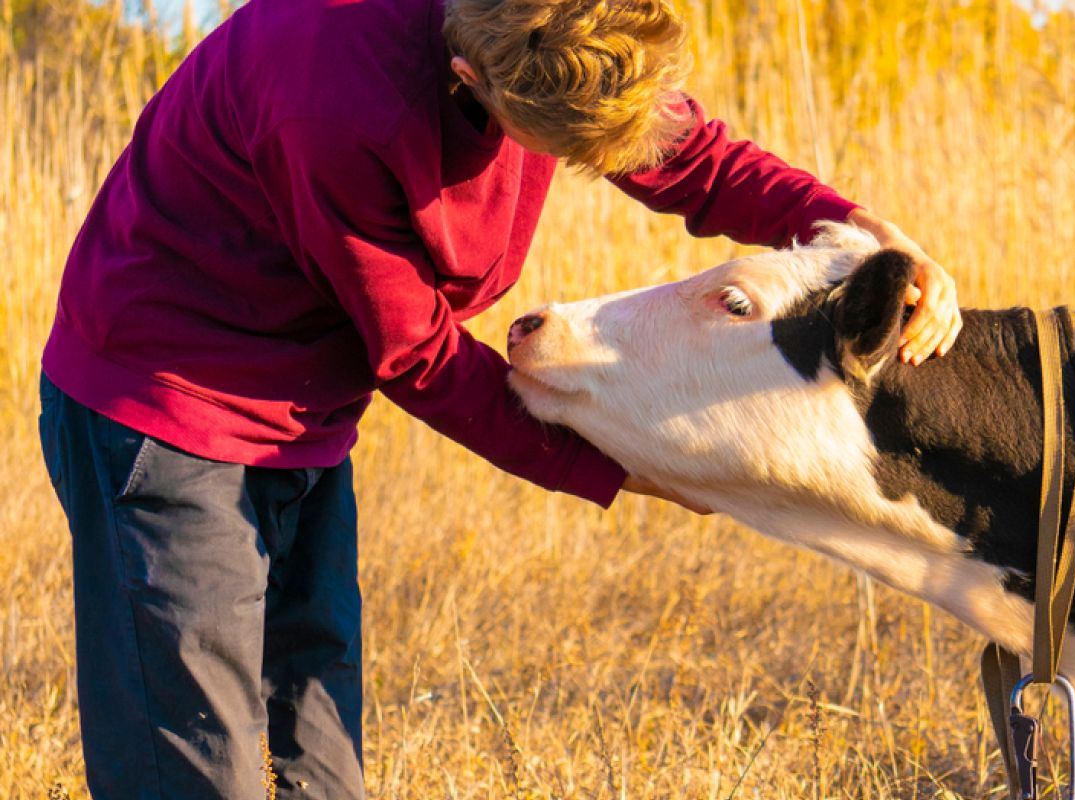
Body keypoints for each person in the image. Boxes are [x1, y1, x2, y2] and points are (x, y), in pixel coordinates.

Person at [35, 0, 962, 796]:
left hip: (304, 414)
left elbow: (696, 158)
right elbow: (419, 355)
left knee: (316, 748)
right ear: (468, 77)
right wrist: (624, 460)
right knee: (194, 763)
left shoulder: (566, 21)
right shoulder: (331, 97)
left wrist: (862, 240)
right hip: (161, 408)